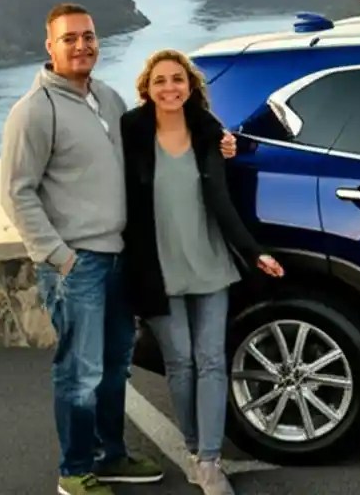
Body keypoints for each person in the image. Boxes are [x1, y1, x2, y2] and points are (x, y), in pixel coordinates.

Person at [0, 3, 237, 495]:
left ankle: (112, 456)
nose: (82, 45)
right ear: (50, 46)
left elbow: (172, 121)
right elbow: (17, 191)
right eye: (69, 39)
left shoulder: (106, 100)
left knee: (112, 368)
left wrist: (223, 139)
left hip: (118, 259)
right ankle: (75, 469)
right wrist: (59, 256)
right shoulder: (33, 112)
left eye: (88, 36)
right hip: (76, 264)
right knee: (79, 372)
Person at [120, 48, 285, 495]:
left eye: (177, 79)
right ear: (147, 90)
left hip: (210, 261)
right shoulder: (131, 131)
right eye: (160, 81)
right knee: (180, 363)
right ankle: (194, 448)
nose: (169, 87)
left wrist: (252, 253)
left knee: (212, 362)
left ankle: (209, 461)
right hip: (158, 267)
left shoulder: (210, 132)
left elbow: (225, 202)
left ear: (190, 86)